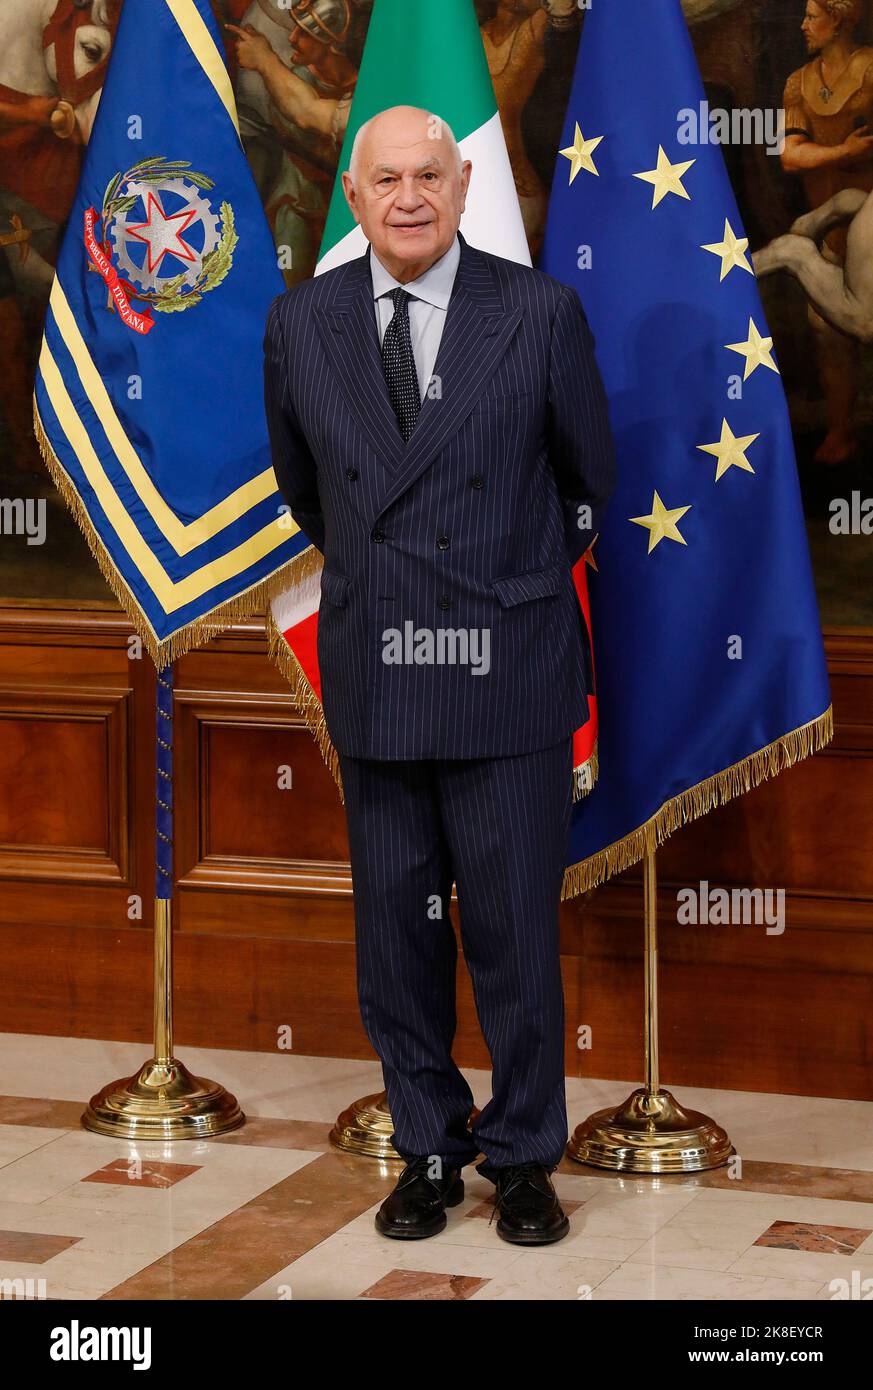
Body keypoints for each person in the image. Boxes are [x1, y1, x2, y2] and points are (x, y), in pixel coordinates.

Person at [263, 105, 615, 1245]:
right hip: (380, 670)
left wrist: (499, 588)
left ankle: (520, 1158)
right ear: (353, 198)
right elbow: (307, 489)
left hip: (506, 669)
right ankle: (426, 1147)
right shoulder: (302, 321)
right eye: (386, 181)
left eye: (429, 176)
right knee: (397, 936)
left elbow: (586, 482)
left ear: (465, 185)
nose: (409, 198)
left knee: (513, 931)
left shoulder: (540, 314)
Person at [780, 0, 873, 464]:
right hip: (829, 230)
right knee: (828, 332)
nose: (803, 25)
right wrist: (844, 152)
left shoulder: (871, 70)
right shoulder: (798, 82)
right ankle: (841, 433)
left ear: (837, 20)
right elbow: (792, 157)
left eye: (812, 15)